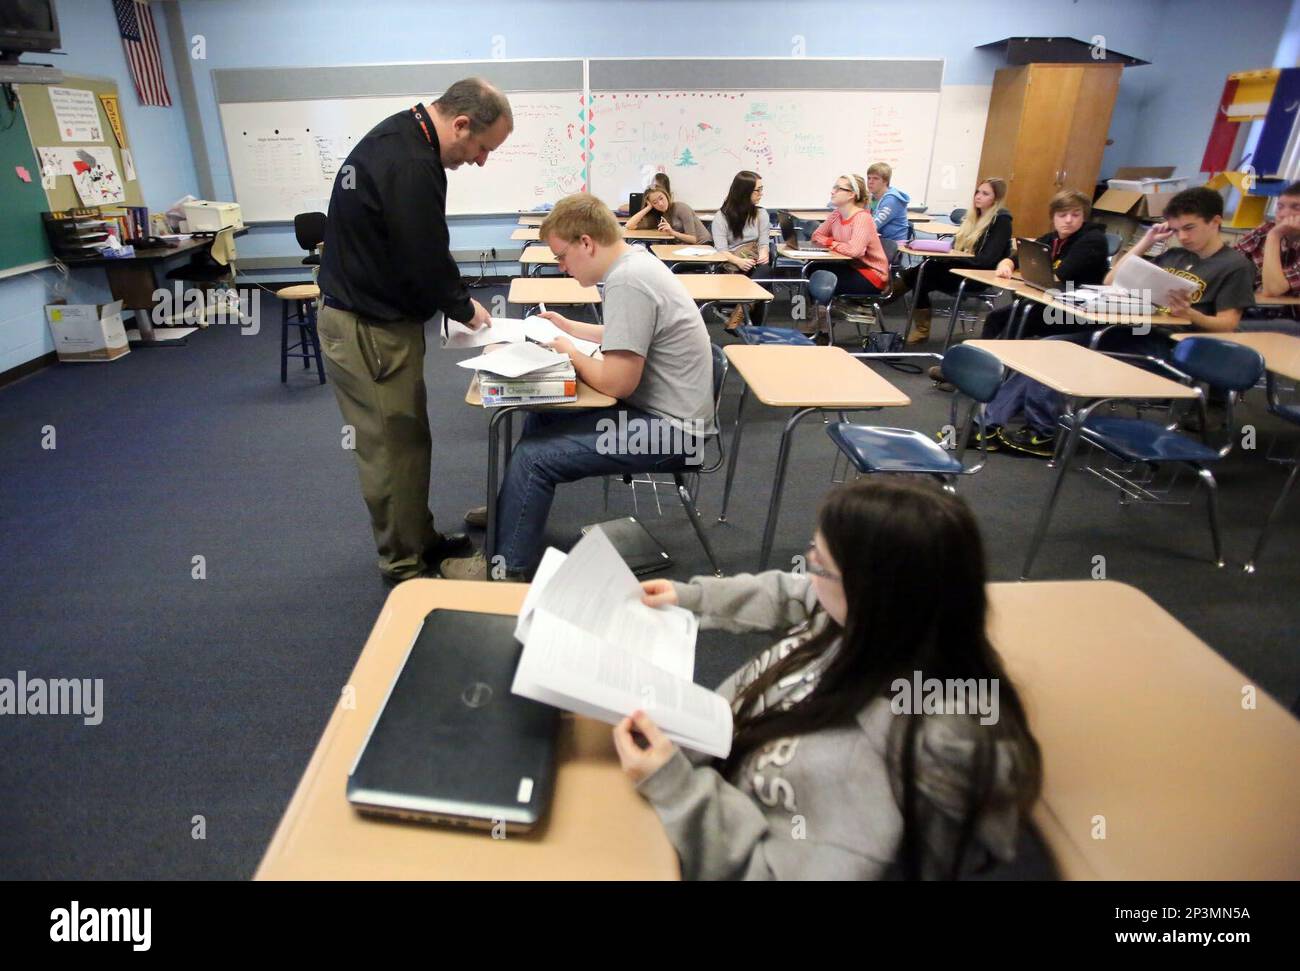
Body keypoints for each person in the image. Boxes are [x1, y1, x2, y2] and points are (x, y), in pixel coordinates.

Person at [613, 478, 1043, 880]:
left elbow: (765, 870)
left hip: (697, 821)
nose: (808, 571)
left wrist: (676, 788)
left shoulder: (866, 775)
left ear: (868, 591)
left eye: (821, 564)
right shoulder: (894, 621)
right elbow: (794, 591)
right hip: (708, 769)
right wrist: (693, 598)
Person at [442, 193, 715, 581]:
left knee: (533, 458)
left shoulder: (628, 279)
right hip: (663, 413)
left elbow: (617, 383)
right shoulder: (634, 262)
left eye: (561, 256)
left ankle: (503, 571)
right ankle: (510, 512)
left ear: (586, 242)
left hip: (674, 435)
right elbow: (627, 333)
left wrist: (569, 352)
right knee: (540, 414)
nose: (561, 266)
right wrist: (569, 328)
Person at [317, 77, 512, 586]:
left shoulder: (405, 138)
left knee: (409, 441)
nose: (480, 160)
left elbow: (414, 247)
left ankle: (418, 540)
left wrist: (448, 299)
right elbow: (422, 255)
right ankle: (404, 566)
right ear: (462, 123)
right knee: (389, 450)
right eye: (482, 148)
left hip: (377, 320)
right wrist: (461, 307)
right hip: (368, 328)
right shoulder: (411, 162)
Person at [976, 186, 1256, 457]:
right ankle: (990, 423)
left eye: (1189, 228)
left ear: (1216, 221)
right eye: (1176, 229)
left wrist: (1190, 314)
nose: (1182, 236)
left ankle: (1043, 432)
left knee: (1060, 356)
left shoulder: (1234, 265)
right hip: (1136, 331)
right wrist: (1146, 242)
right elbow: (1112, 280)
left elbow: (1228, 325)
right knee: (1048, 347)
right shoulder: (1175, 255)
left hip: (1174, 348)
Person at [927, 189, 1109, 387]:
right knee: (997, 318)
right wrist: (1007, 264)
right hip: (1049, 304)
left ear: (1084, 217)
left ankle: (984, 376)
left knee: (1017, 319)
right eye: (1062, 215)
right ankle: (973, 371)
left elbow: (1058, 277)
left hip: (1074, 313)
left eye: (1075, 215)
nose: (1068, 220)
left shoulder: (1092, 240)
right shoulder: (1053, 238)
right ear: (1053, 217)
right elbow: (1020, 254)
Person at [889, 178, 1013, 343]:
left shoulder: (1001, 221)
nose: (978, 196)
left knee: (924, 271)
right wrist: (949, 257)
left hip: (977, 276)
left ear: (995, 199)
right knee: (923, 272)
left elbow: (987, 260)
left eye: (985, 194)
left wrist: (953, 259)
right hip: (959, 270)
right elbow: (956, 248)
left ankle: (885, 299)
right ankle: (917, 327)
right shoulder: (972, 219)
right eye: (978, 192)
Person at [806, 173, 890, 340]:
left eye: (839, 188)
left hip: (871, 275)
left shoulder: (862, 218)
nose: (833, 192)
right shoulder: (837, 214)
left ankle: (822, 327)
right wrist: (834, 242)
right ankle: (822, 325)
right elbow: (816, 236)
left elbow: (855, 251)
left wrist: (830, 242)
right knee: (812, 268)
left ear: (852, 194)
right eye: (834, 187)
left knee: (818, 277)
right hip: (853, 267)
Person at [1235, 180, 1300, 331]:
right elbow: (1226, 263)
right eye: (1280, 207)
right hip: (1259, 310)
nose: (1283, 214)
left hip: (1294, 320)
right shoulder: (1265, 230)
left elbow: (1273, 289)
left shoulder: (1272, 232)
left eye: (1296, 208)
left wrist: (1274, 236)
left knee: (1228, 329)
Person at [712, 170, 770, 332]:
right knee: (764, 281)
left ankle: (739, 314)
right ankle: (753, 331)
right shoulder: (721, 217)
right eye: (757, 190)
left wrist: (764, 253)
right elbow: (720, 250)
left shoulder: (761, 214)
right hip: (731, 269)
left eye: (761, 189)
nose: (761, 194)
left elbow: (764, 243)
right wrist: (739, 261)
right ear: (744, 192)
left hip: (754, 265)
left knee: (765, 271)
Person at [624, 183, 710, 244]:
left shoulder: (681, 208)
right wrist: (648, 208)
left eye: (661, 198)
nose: (660, 204)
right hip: (684, 248)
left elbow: (693, 239)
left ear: (666, 195)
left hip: (703, 246)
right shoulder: (657, 216)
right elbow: (629, 225)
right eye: (655, 202)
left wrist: (672, 232)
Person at [866, 162, 911, 242]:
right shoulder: (871, 198)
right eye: (869, 178)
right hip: (878, 242)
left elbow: (873, 226)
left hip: (893, 246)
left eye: (875, 178)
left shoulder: (891, 200)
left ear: (885, 181)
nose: (870, 182)